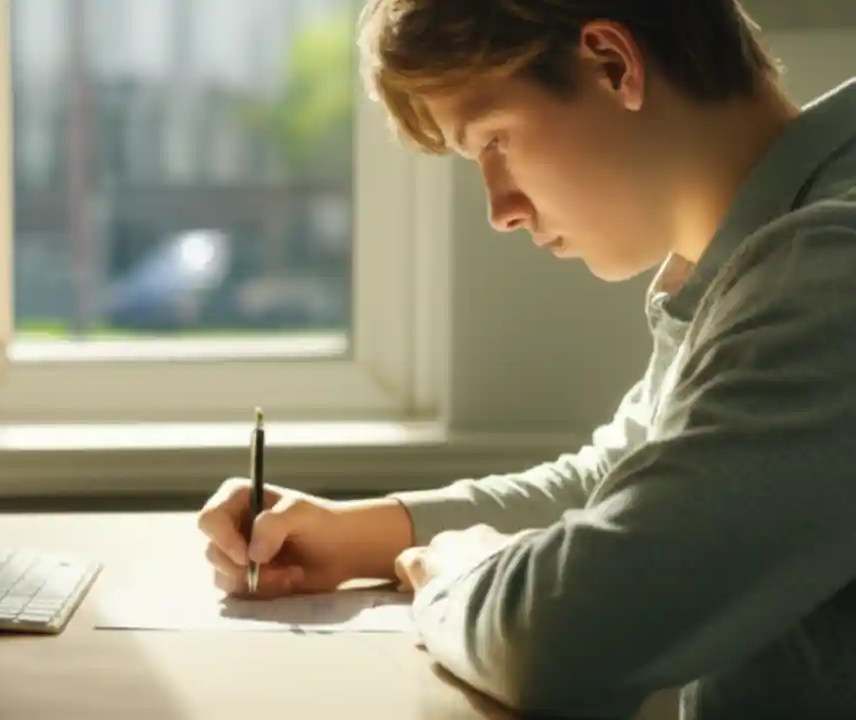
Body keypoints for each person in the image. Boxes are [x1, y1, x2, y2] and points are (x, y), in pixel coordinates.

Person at [197, 1, 856, 718]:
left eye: (494, 142)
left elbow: (565, 638)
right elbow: (634, 486)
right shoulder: (762, 259)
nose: (500, 208)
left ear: (612, 65)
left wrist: (463, 575)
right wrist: (363, 535)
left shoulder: (830, 266)